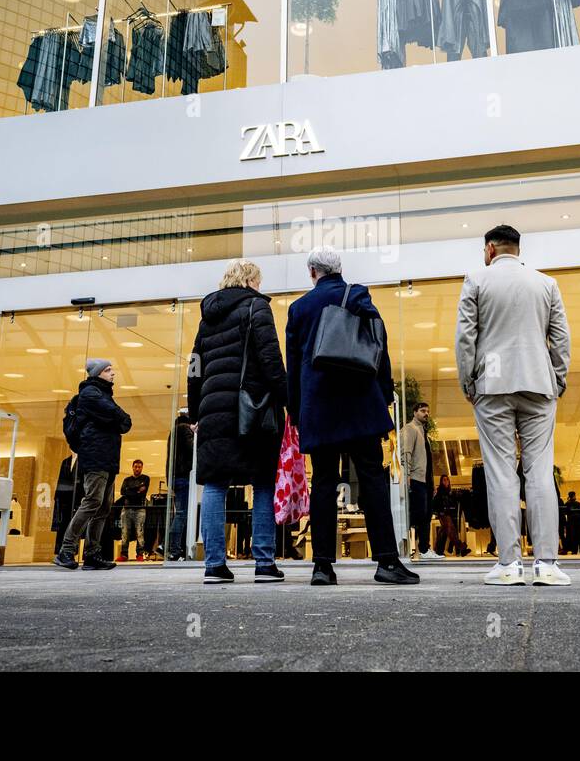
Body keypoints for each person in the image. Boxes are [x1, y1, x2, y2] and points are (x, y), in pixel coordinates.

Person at [286, 245, 419, 586]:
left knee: (325, 482)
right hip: (360, 401)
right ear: (338, 269)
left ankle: (322, 566)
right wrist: (384, 392)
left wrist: (297, 411)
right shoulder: (358, 295)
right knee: (373, 478)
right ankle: (387, 561)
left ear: (312, 272)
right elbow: (379, 345)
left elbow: (293, 367)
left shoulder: (299, 308)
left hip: (319, 406)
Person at [455, 225, 571, 587]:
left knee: (501, 472)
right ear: (516, 249)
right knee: (539, 471)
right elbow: (560, 337)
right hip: (539, 384)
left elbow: (465, 337)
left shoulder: (476, 280)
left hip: (493, 384)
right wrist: (558, 378)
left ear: (490, 249)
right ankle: (547, 564)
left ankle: (509, 564)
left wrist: (468, 382)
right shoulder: (546, 283)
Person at [188, 258, 288, 584]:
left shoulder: (206, 319)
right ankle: (263, 563)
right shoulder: (256, 308)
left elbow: (194, 369)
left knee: (215, 483)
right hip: (252, 412)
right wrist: (290, 401)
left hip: (213, 412)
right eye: (258, 280)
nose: (260, 286)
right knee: (262, 481)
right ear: (249, 281)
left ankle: (214, 565)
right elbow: (271, 358)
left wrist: (194, 413)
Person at [53, 359, 132, 571]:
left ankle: (91, 554)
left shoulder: (103, 394)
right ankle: (66, 550)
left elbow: (124, 422)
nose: (113, 373)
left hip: (107, 458)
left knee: (103, 507)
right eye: (108, 370)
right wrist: (116, 419)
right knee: (92, 502)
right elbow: (120, 416)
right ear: (97, 374)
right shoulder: (90, 394)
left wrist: (117, 420)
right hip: (95, 457)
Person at [400, 401, 440, 559]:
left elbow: (428, 461)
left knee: (427, 514)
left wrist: (432, 482)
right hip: (415, 479)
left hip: (426, 480)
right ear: (415, 412)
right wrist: (407, 475)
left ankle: (424, 549)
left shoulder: (424, 433)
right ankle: (418, 548)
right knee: (418, 515)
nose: (426, 414)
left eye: (428, 411)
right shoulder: (410, 429)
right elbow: (406, 453)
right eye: (423, 411)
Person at [166, 412, 194, 561]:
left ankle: (172, 547)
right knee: (182, 514)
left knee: (180, 513)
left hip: (175, 477)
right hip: (183, 476)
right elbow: (193, 449)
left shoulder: (173, 432)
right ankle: (174, 548)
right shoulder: (184, 429)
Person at [117, 459, 150, 561]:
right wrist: (137, 490)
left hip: (140, 509)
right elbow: (123, 491)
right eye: (135, 466)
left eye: (139, 467)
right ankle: (124, 555)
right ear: (132, 467)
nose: (137, 469)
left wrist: (130, 490)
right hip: (126, 509)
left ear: (142, 468)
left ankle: (139, 554)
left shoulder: (146, 478)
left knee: (140, 533)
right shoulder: (126, 480)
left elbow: (143, 492)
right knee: (125, 533)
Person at [432, 474, 466, 557]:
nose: (446, 481)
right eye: (444, 479)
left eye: (447, 479)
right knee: (451, 531)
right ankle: (461, 547)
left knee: (443, 532)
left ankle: (438, 550)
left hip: (448, 514)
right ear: (441, 481)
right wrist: (440, 512)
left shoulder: (449, 492)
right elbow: (436, 503)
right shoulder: (440, 490)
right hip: (443, 514)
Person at [561, 490, 580, 555]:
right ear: (573, 496)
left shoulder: (567, 504)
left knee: (572, 537)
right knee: (579, 537)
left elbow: (564, 513)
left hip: (571, 523)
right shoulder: (578, 504)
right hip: (578, 523)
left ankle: (574, 550)